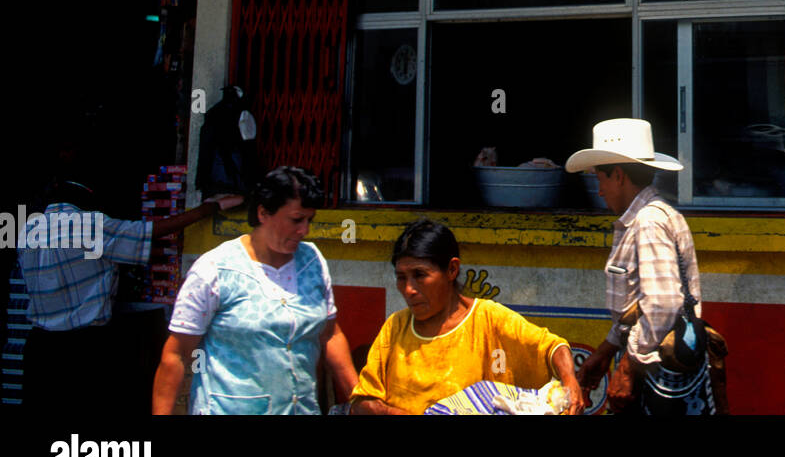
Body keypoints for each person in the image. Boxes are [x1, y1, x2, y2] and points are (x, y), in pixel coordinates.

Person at [18, 178, 244, 411]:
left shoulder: (28, 231)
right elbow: (147, 233)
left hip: (41, 348)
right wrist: (210, 208)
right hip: (82, 348)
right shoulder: (88, 225)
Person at [152, 166, 357, 414]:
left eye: (309, 220)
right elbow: (177, 354)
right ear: (263, 213)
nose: (304, 230)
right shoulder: (215, 269)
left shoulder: (312, 261)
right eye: (296, 219)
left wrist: (358, 399)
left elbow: (330, 335)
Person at [348, 219, 582, 414]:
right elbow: (361, 403)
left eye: (419, 275)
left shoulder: (489, 319)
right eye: (401, 277)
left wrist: (570, 382)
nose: (409, 289)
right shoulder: (396, 326)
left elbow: (553, 347)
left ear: (452, 270)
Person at [567, 118, 715, 415]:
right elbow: (637, 307)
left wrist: (626, 368)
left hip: (657, 372)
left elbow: (661, 305)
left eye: (601, 179)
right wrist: (607, 350)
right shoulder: (645, 218)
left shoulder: (648, 222)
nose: (599, 190)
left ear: (619, 175)